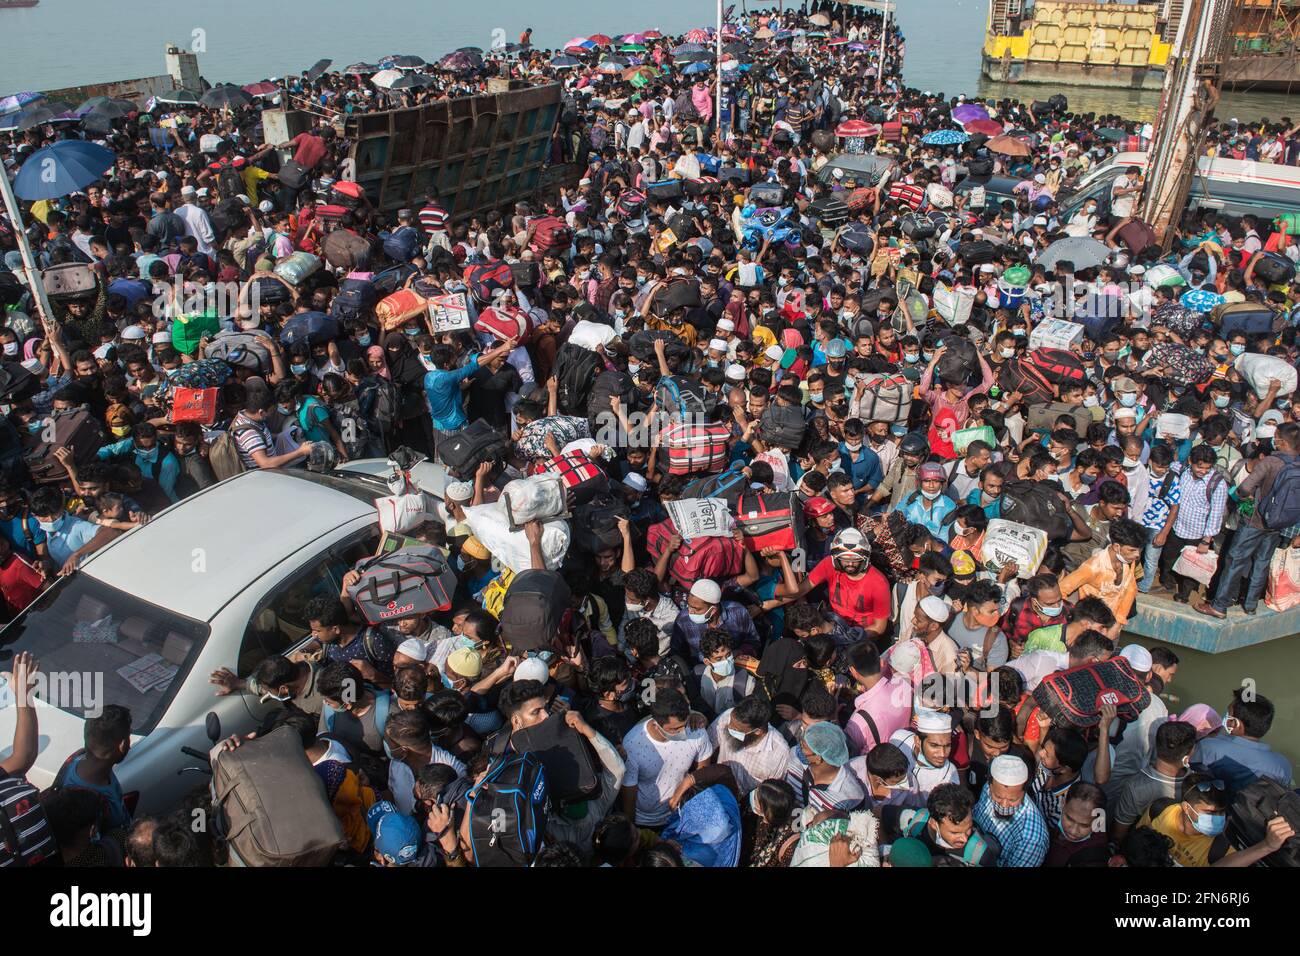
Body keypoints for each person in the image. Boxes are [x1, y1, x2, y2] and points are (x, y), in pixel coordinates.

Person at [620, 688, 713, 829]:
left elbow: (703, 770)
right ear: (656, 724)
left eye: (684, 725)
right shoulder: (633, 745)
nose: (682, 732)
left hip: (680, 814)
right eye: (674, 729)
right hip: (645, 820)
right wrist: (632, 828)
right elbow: (629, 793)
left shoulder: (696, 730)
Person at [1192, 689, 1294, 794]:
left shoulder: (1209, 747)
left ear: (1236, 724)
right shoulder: (1282, 765)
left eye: (1228, 714)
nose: (1226, 718)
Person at [973, 754, 1050, 868]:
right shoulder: (987, 788)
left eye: (1012, 800)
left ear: (1024, 791)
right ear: (990, 784)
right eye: (998, 797)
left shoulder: (1032, 840)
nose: (1004, 805)